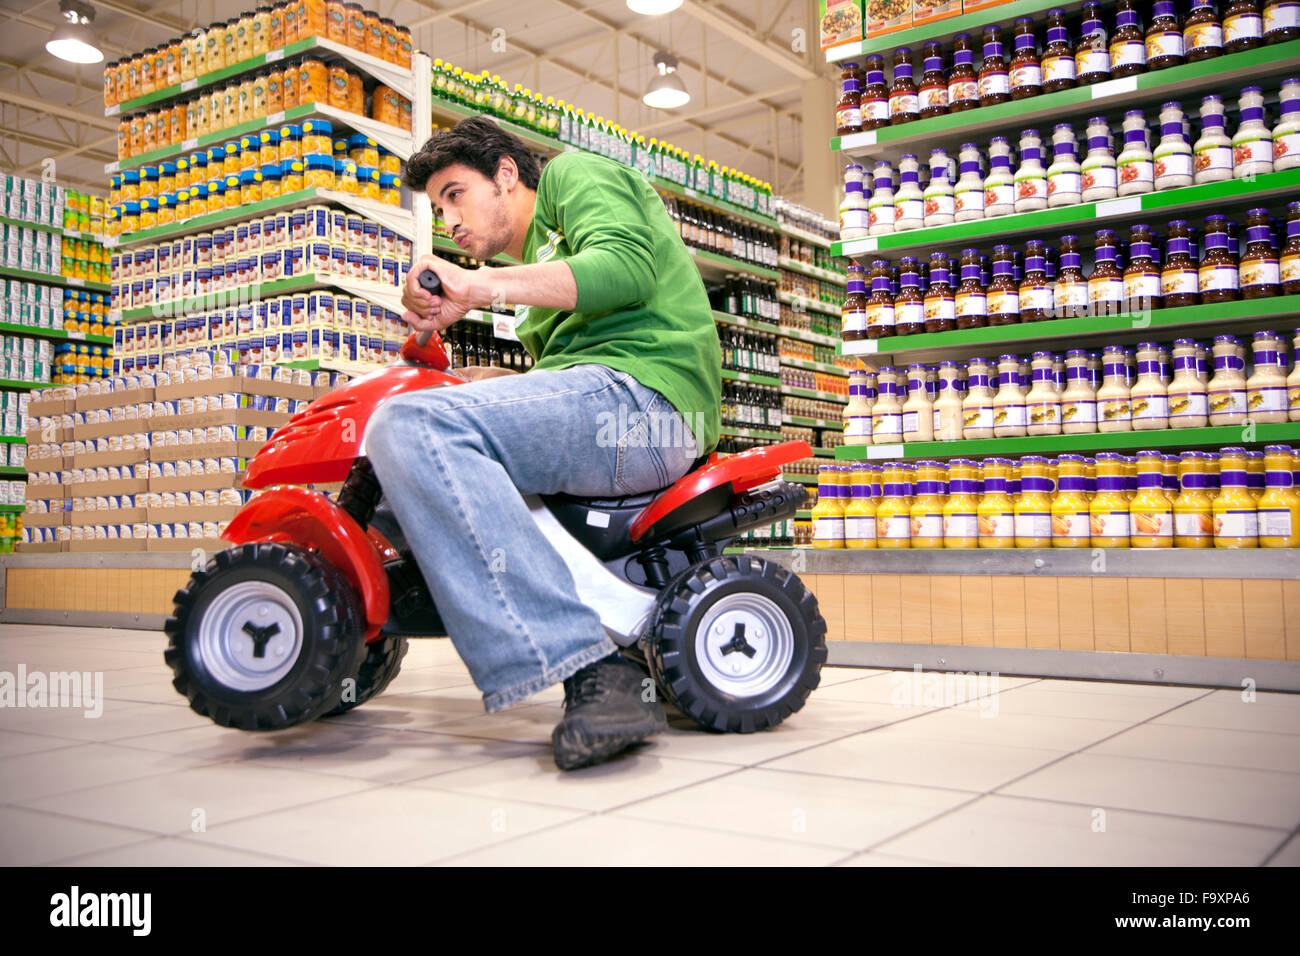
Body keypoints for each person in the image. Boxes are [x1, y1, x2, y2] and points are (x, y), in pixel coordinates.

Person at [365, 117, 722, 771]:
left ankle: (587, 665)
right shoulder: (536, 285)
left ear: (506, 172)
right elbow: (560, 389)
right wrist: (466, 383)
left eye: (454, 193)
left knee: (409, 428)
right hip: (613, 405)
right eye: (438, 209)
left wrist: (474, 286)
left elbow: (625, 269)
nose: (449, 221)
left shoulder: (571, 176)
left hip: (650, 405)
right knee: (415, 416)